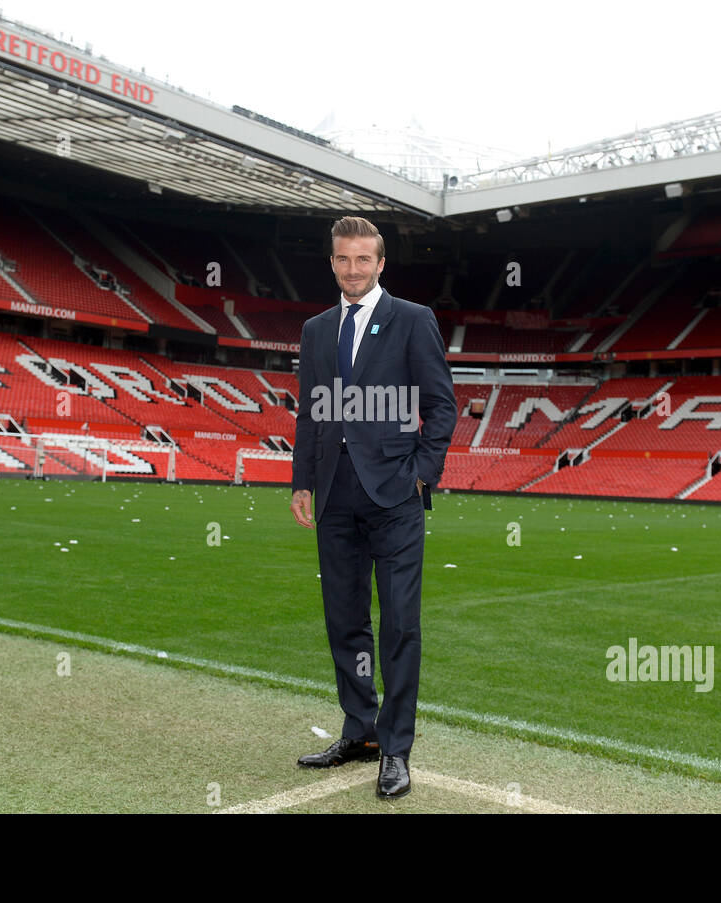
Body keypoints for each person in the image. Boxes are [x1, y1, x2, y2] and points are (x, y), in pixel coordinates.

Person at [290, 215, 457, 799]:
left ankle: (396, 748)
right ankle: (359, 731)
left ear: (381, 264)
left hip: (395, 499)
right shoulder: (315, 330)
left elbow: (441, 405)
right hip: (335, 496)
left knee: (400, 626)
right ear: (332, 262)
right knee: (345, 621)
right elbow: (311, 413)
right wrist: (302, 481)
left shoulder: (413, 320)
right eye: (343, 259)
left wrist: (421, 473)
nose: (353, 269)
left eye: (364, 259)